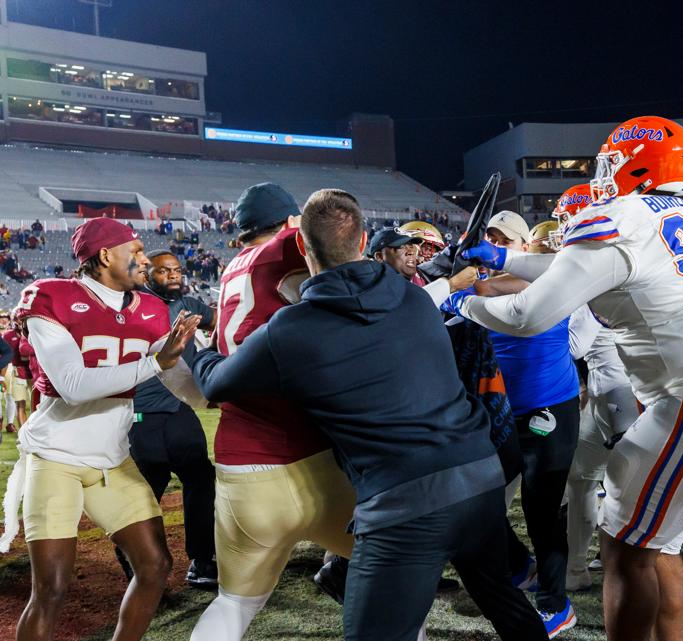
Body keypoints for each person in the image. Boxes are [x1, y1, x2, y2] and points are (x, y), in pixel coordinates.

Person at [454, 115, 683, 641]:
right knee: (654, 546)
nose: (602, 173)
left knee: (623, 548)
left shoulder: (620, 216)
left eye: (610, 161)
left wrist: (463, 301)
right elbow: (578, 267)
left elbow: (527, 316)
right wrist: (506, 257)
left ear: (638, 164)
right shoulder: (671, 216)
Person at [192, 189, 547, 641]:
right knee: (503, 599)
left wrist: (188, 343)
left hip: (404, 503)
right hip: (478, 477)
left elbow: (215, 383)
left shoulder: (293, 328)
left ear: (303, 248)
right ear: (363, 241)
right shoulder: (414, 299)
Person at [0, 218, 202, 641]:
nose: (146, 259)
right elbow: (73, 386)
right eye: (137, 250)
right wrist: (154, 362)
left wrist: (221, 396)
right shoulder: (52, 297)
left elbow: (178, 378)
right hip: (57, 458)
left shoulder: (148, 307)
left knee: (155, 566)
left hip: (113, 457)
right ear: (106, 255)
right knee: (52, 589)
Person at [190, 183, 354, 641]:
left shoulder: (229, 269)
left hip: (242, 458)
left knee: (235, 603)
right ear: (288, 223)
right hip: (314, 455)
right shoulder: (289, 246)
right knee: (399, 575)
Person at [473, 209, 582, 636]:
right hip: (500, 410)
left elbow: (518, 292)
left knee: (541, 509)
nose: (496, 246)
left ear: (523, 248)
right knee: (476, 499)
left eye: (504, 241)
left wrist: (468, 282)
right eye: (491, 239)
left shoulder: (548, 278)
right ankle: (523, 567)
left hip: (549, 409)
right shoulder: (482, 278)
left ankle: (556, 603)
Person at [113, 249, 218, 588]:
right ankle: (138, 567)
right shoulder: (130, 305)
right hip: (141, 415)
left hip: (180, 411)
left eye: (176, 270)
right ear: (148, 275)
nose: (172, 275)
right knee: (145, 494)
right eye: (163, 271)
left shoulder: (192, 306)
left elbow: (225, 320)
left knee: (201, 479)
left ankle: (202, 561)